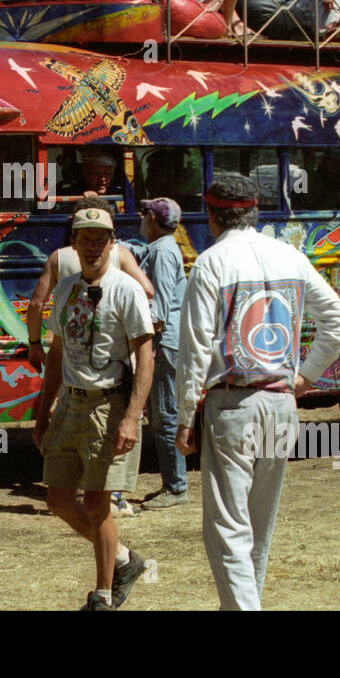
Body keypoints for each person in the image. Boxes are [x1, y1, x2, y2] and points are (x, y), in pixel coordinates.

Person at [175, 174, 340, 610]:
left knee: (227, 527)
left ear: (212, 214)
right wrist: (305, 376)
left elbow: (195, 346)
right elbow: (338, 320)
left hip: (233, 402)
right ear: (253, 210)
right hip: (280, 403)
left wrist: (182, 418)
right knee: (258, 524)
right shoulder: (288, 256)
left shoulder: (212, 263)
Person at [33, 204, 154, 610]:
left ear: (111, 243)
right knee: (58, 500)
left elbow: (146, 352)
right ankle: (123, 559)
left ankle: (103, 596)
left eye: (100, 240)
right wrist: (43, 409)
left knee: (99, 504)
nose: (93, 247)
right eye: (85, 239)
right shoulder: (66, 288)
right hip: (70, 403)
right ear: (74, 243)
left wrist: (132, 417)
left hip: (109, 405)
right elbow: (56, 351)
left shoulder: (126, 288)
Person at [134, 198, 190, 510]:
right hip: (166, 342)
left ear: (154, 219)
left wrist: (148, 345)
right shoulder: (161, 248)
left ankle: (177, 487)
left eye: (145, 215)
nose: (141, 219)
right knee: (160, 414)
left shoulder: (162, 252)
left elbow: (161, 305)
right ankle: (173, 484)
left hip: (164, 344)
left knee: (166, 414)